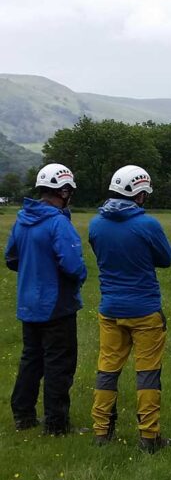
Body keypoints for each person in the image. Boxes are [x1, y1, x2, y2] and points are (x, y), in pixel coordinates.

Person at [89, 165, 171, 453]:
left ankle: (101, 432)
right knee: (147, 373)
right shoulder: (147, 225)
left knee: (107, 370)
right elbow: (166, 258)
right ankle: (149, 437)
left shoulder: (95, 224)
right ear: (137, 194)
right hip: (145, 310)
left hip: (110, 308)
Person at [4, 164, 87, 435]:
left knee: (31, 360)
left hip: (28, 303)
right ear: (63, 191)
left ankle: (23, 415)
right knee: (59, 365)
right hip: (57, 305)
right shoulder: (57, 222)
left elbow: (11, 258)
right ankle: (56, 424)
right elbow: (74, 266)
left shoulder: (22, 219)